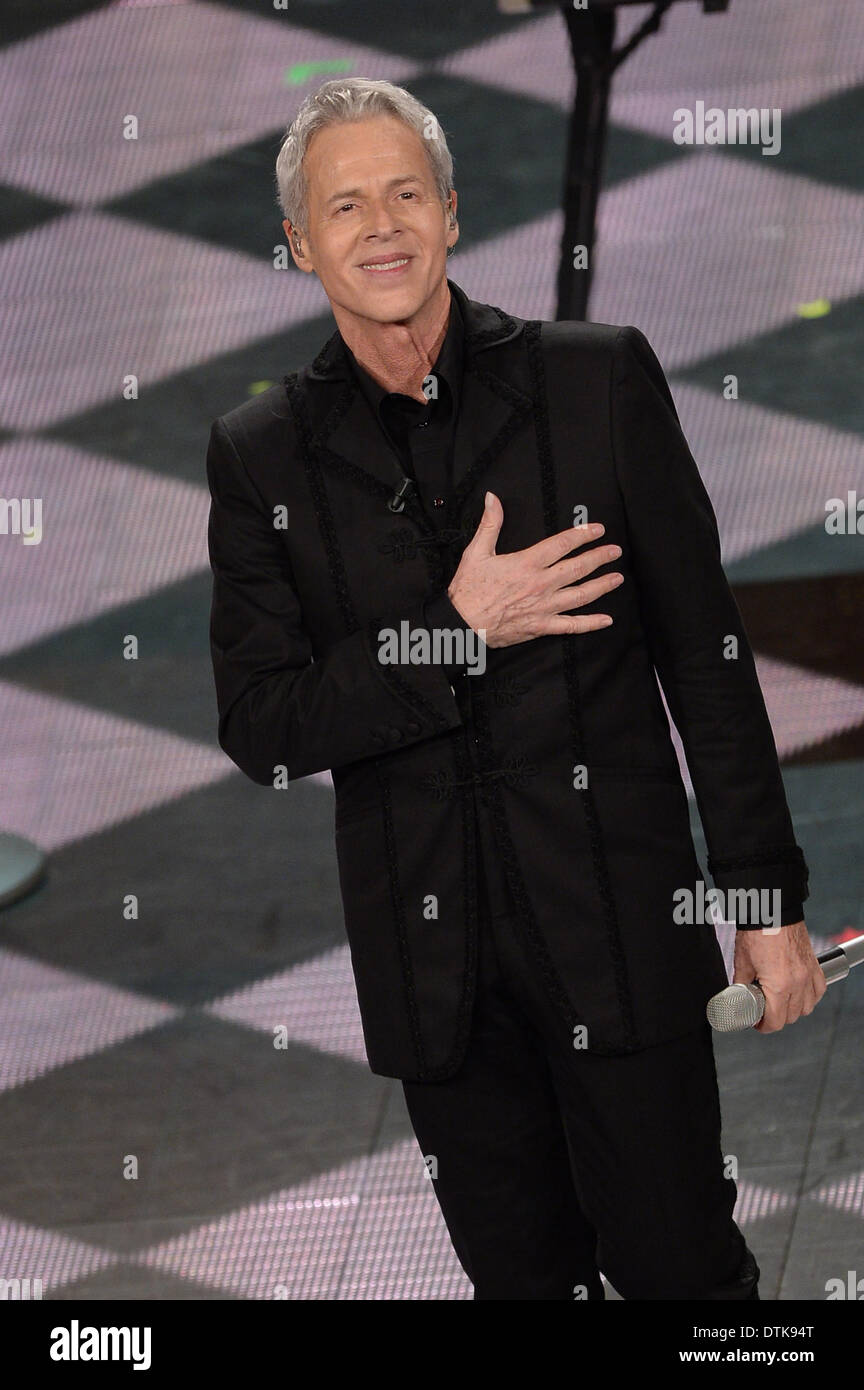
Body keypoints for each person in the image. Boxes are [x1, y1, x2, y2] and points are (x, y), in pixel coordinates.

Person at [205, 78, 826, 1300]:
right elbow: (263, 725)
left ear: (450, 213)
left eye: (404, 194)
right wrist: (454, 632)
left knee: (687, 1275)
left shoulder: (593, 383)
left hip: (621, 937)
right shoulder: (260, 452)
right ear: (299, 244)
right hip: (438, 982)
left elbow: (707, 661)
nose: (379, 226)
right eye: (344, 206)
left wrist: (764, 899)